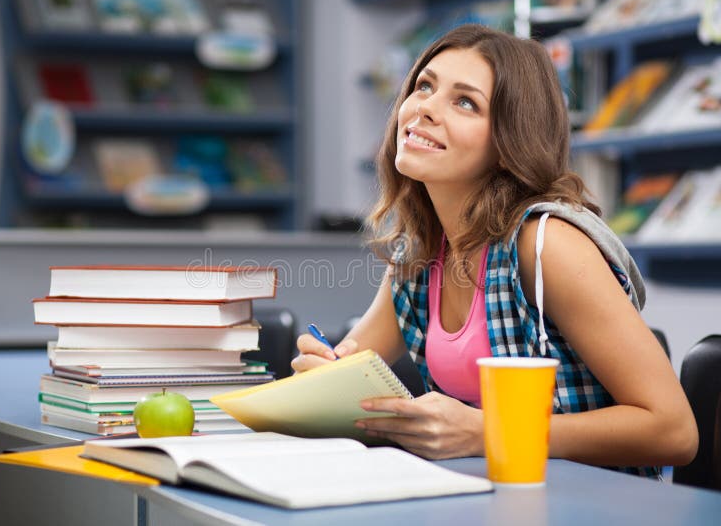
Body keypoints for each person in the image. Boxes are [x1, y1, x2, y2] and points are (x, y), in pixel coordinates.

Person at [292, 24, 698, 477]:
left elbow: (674, 431)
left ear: (509, 143)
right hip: (485, 496)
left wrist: (490, 431)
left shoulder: (548, 244)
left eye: (465, 102)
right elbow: (345, 371)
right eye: (424, 86)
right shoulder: (419, 254)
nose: (425, 108)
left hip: (594, 501)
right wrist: (320, 373)